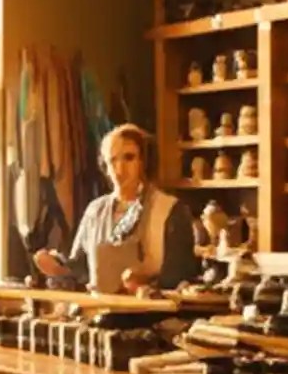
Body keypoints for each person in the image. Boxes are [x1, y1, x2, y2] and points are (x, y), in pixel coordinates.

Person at [32, 123, 199, 295]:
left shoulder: (170, 210)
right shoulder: (95, 211)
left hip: (151, 314)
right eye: (113, 160)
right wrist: (58, 267)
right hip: (101, 309)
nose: (120, 170)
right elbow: (81, 268)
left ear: (143, 161)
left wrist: (145, 280)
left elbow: (182, 275)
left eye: (129, 158)